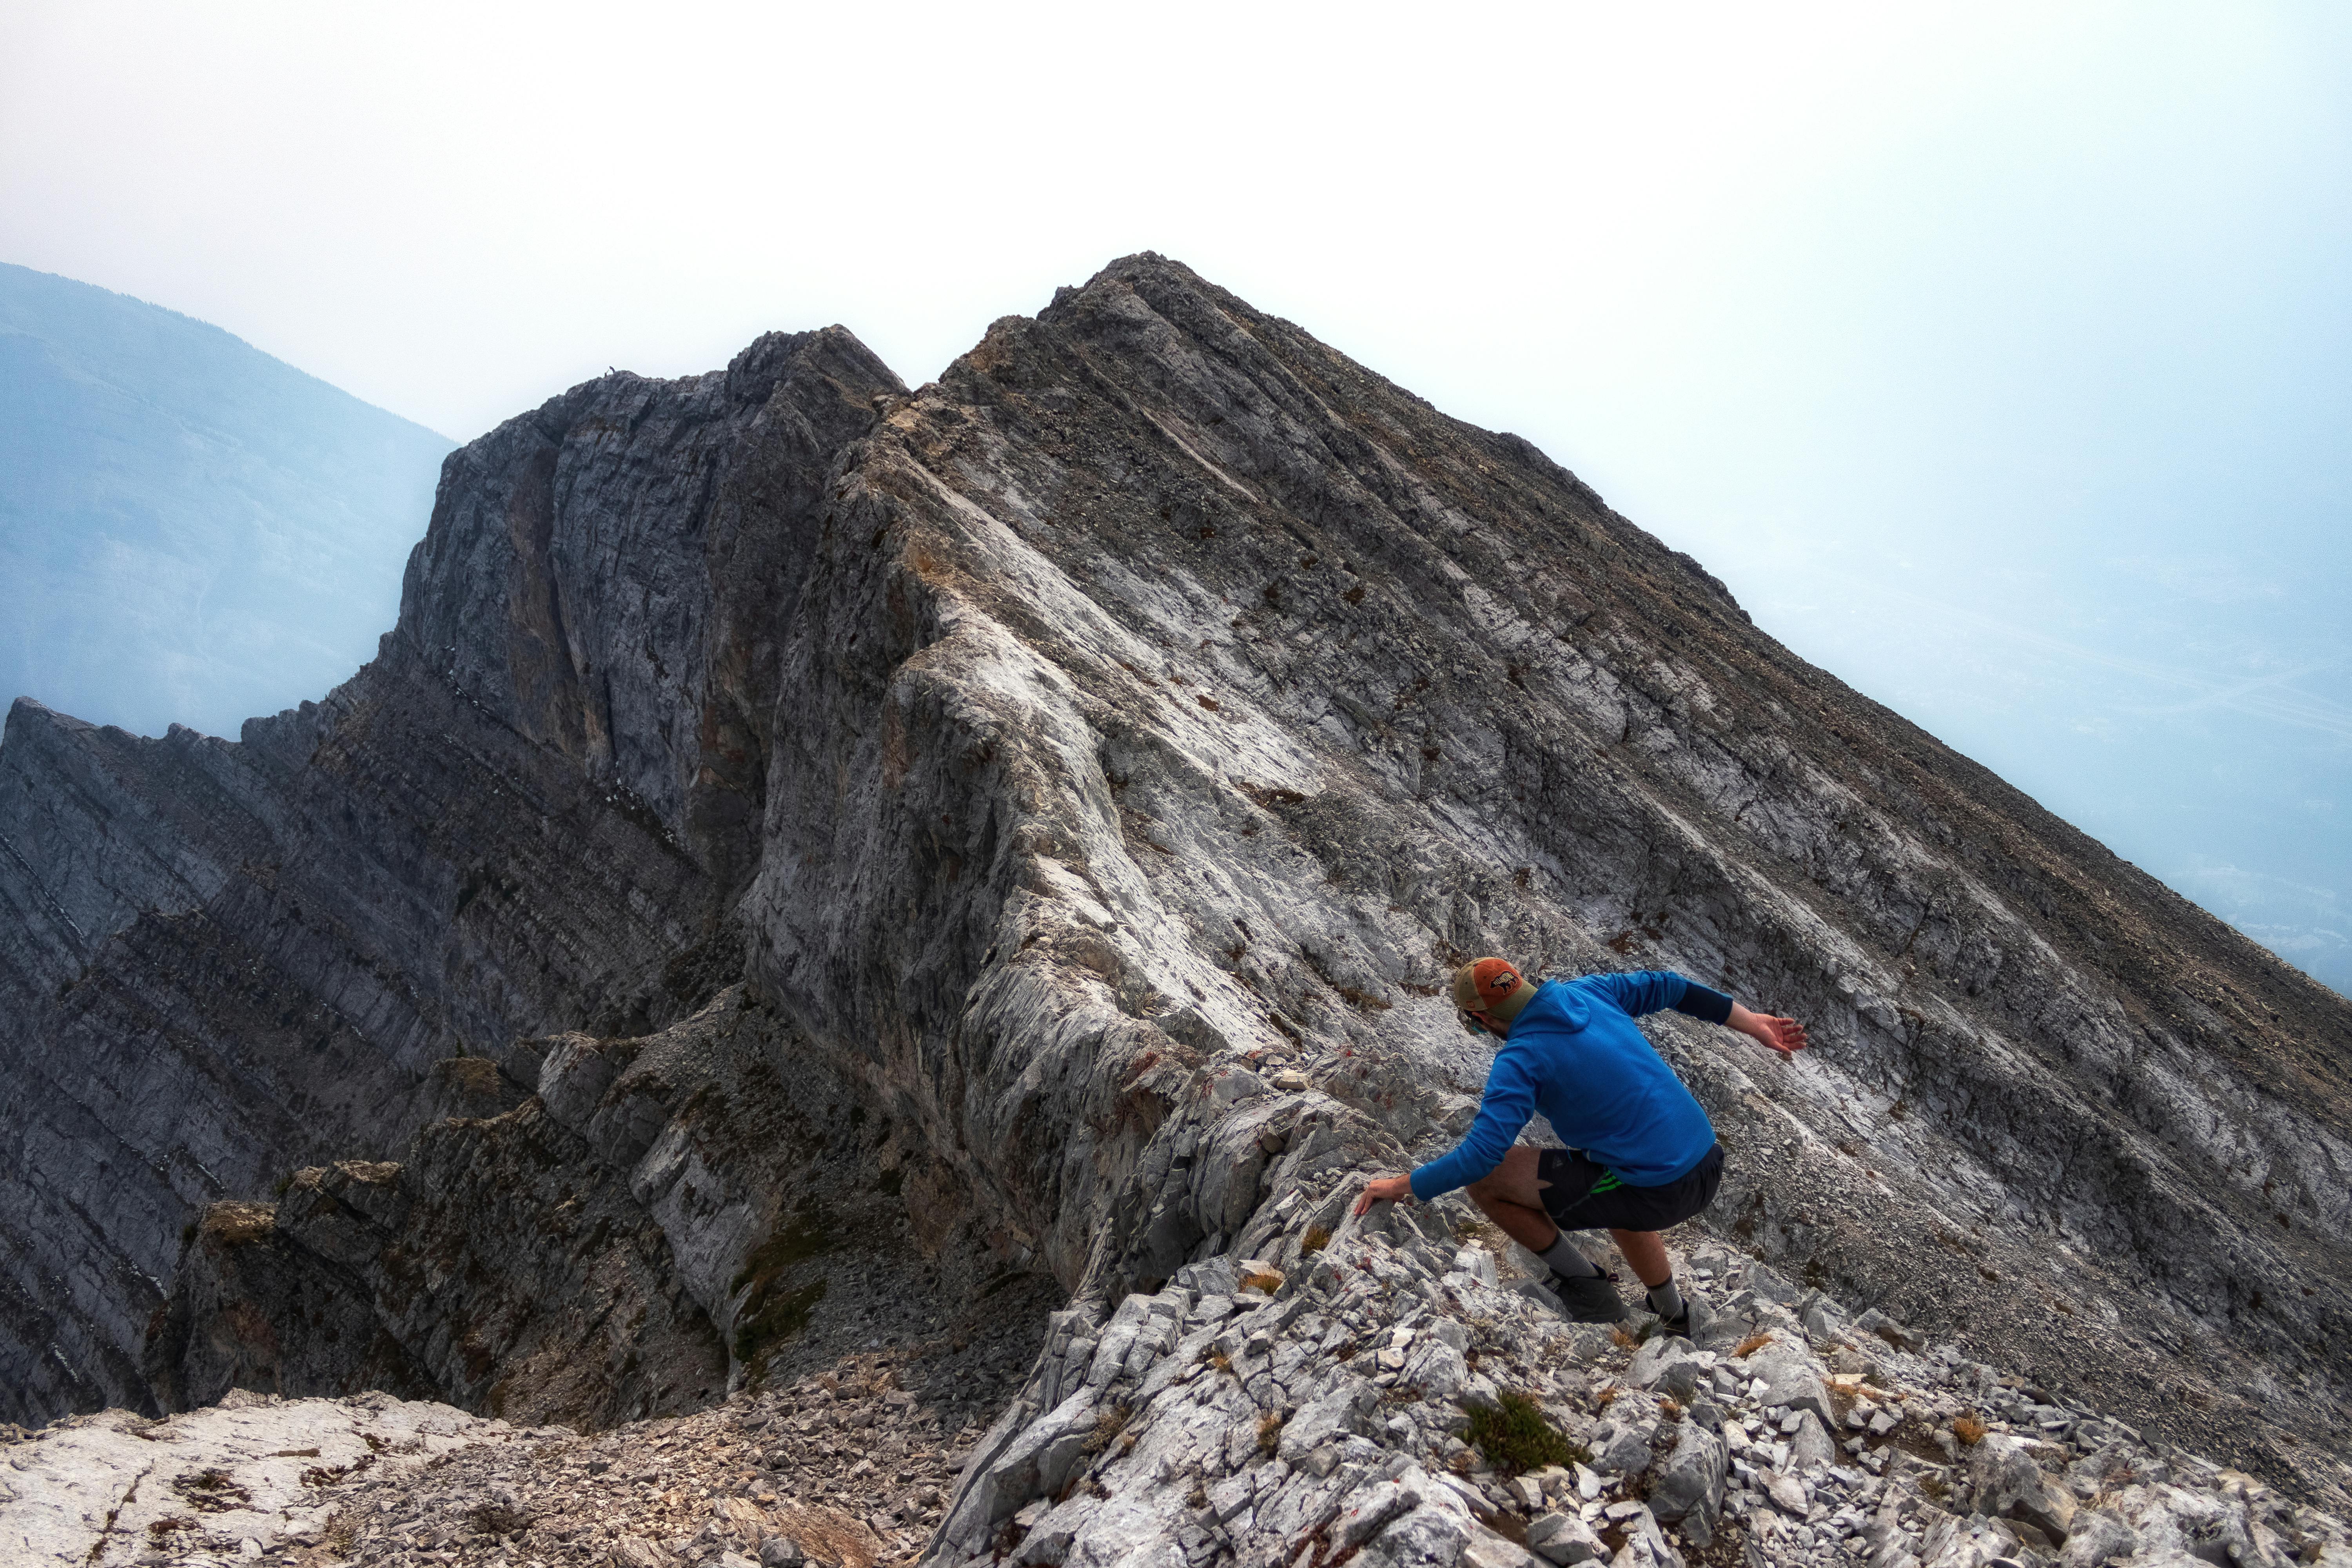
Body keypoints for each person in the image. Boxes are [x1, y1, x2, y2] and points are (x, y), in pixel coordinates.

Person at [1351, 956, 1807, 1332]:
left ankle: (1587, 1287)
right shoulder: (1590, 992)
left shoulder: (1521, 1057)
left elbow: (1480, 1157)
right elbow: (1672, 986)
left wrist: (1399, 1185)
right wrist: (1753, 1024)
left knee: (1489, 1181)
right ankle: (1673, 1313)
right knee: (1611, 1174)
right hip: (1707, 1157)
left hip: (1663, 1189)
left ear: (1482, 1018)